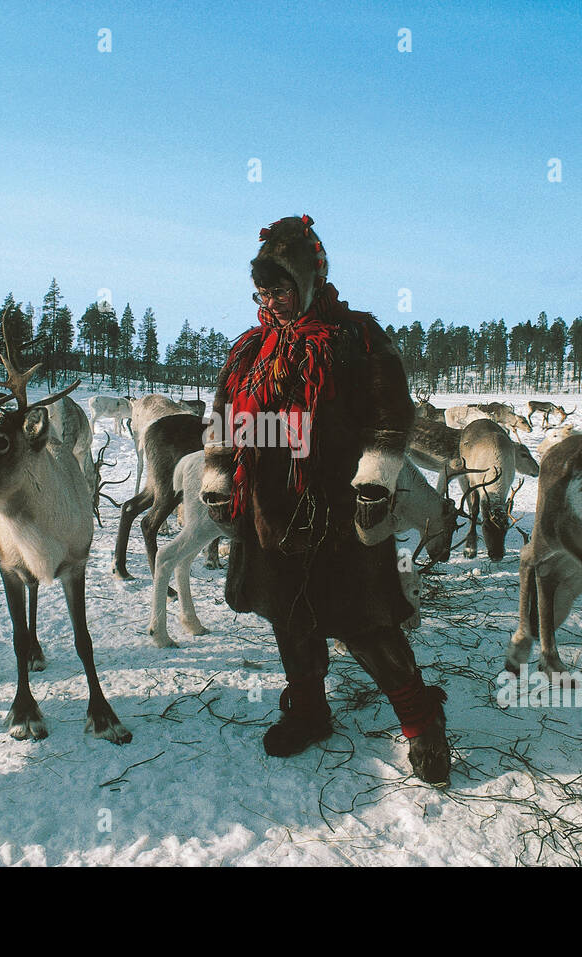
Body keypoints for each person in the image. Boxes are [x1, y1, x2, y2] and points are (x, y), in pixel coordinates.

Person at [201, 214, 451, 784]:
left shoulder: (356, 337)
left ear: (310, 279)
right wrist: (218, 475)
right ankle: (311, 709)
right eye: (263, 291)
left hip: (340, 504)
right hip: (269, 507)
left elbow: (390, 415)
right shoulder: (250, 349)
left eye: (281, 288)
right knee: (288, 618)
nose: (272, 300)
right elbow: (224, 421)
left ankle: (420, 720)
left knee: (363, 621)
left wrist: (378, 476)